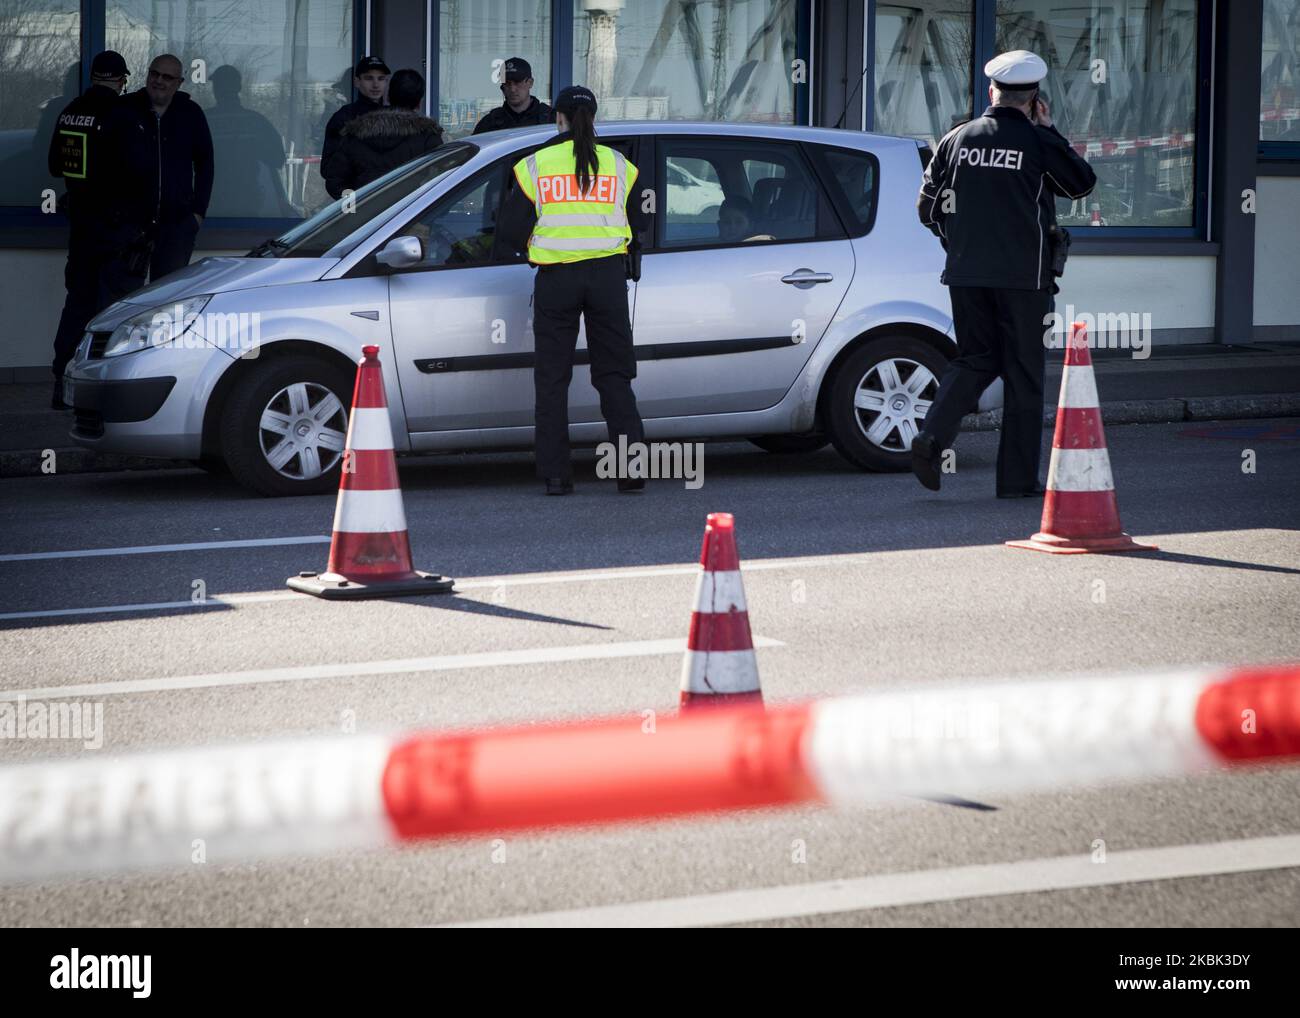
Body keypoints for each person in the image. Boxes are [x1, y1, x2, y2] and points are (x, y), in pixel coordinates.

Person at [912, 50, 1096, 499]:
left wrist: (957, 245)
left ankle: (931, 436)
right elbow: (1082, 184)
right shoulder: (1037, 142)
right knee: (1023, 374)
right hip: (1023, 280)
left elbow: (927, 209)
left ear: (991, 91)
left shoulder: (956, 139)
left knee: (975, 359)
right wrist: (1050, 133)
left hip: (966, 276)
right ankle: (1015, 482)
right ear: (1035, 99)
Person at [494, 85, 645, 495]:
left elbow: (509, 231)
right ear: (594, 119)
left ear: (556, 117)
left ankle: (557, 475)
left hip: (557, 280)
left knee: (552, 377)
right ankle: (630, 471)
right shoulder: (619, 164)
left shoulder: (536, 165)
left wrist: (536, 247)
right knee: (615, 375)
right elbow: (639, 226)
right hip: (608, 279)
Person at [46, 50, 150, 409]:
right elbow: (137, 173)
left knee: (76, 305)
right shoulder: (123, 114)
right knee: (115, 311)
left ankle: (62, 382)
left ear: (92, 77)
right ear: (121, 80)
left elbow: (56, 166)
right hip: (116, 229)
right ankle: (104, 391)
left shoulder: (69, 111)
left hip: (82, 228)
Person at [123, 54, 214, 280]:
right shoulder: (126, 110)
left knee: (167, 301)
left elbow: (205, 164)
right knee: (123, 298)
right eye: (154, 74)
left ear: (179, 82)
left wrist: (197, 214)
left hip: (176, 226)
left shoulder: (190, 114)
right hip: (129, 225)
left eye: (167, 77)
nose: (159, 81)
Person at [323, 69, 443, 199]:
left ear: (388, 97)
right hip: (410, 215)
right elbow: (442, 181)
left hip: (367, 217)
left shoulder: (357, 132)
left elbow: (335, 181)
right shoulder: (428, 136)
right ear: (419, 102)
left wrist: (354, 210)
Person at [205, 65, 291, 217]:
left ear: (216, 89)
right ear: (238, 87)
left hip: (212, 202)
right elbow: (277, 159)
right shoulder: (255, 121)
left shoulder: (205, 120)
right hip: (246, 202)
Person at [320, 56, 389, 174]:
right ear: (357, 82)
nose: (376, 84)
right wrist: (350, 191)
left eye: (381, 78)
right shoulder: (343, 118)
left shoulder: (394, 118)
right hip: (359, 191)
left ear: (386, 82)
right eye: (369, 78)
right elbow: (328, 168)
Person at [472, 58, 555, 134]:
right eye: (507, 83)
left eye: (517, 82)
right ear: (502, 87)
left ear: (530, 83)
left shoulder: (551, 118)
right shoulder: (489, 122)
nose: (512, 89)